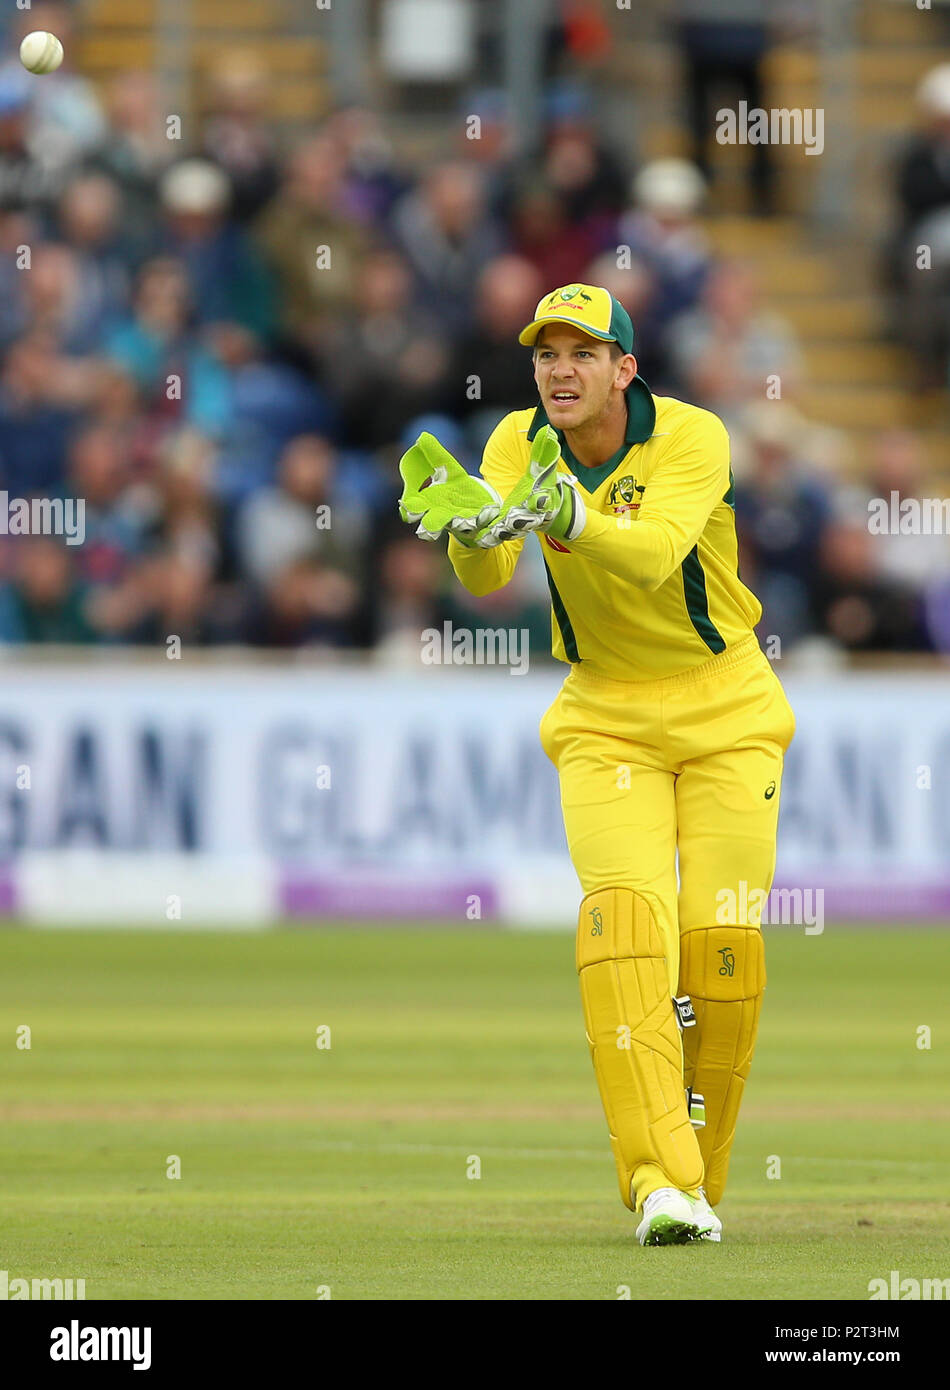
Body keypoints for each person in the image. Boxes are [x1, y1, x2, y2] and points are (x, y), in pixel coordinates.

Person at [397, 282, 795, 1245]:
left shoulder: (693, 435)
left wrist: (564, 514)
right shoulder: (515, 442)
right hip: (605, 716)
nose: (560, 371)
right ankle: (661, 1180)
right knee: (623, 933)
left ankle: (701, 1172)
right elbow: (489, 577)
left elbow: (656, 554)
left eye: (582, 353)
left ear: (625, 367)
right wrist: (470, 528)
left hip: (729, 708)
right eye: (545, 355)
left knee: (721, 952)